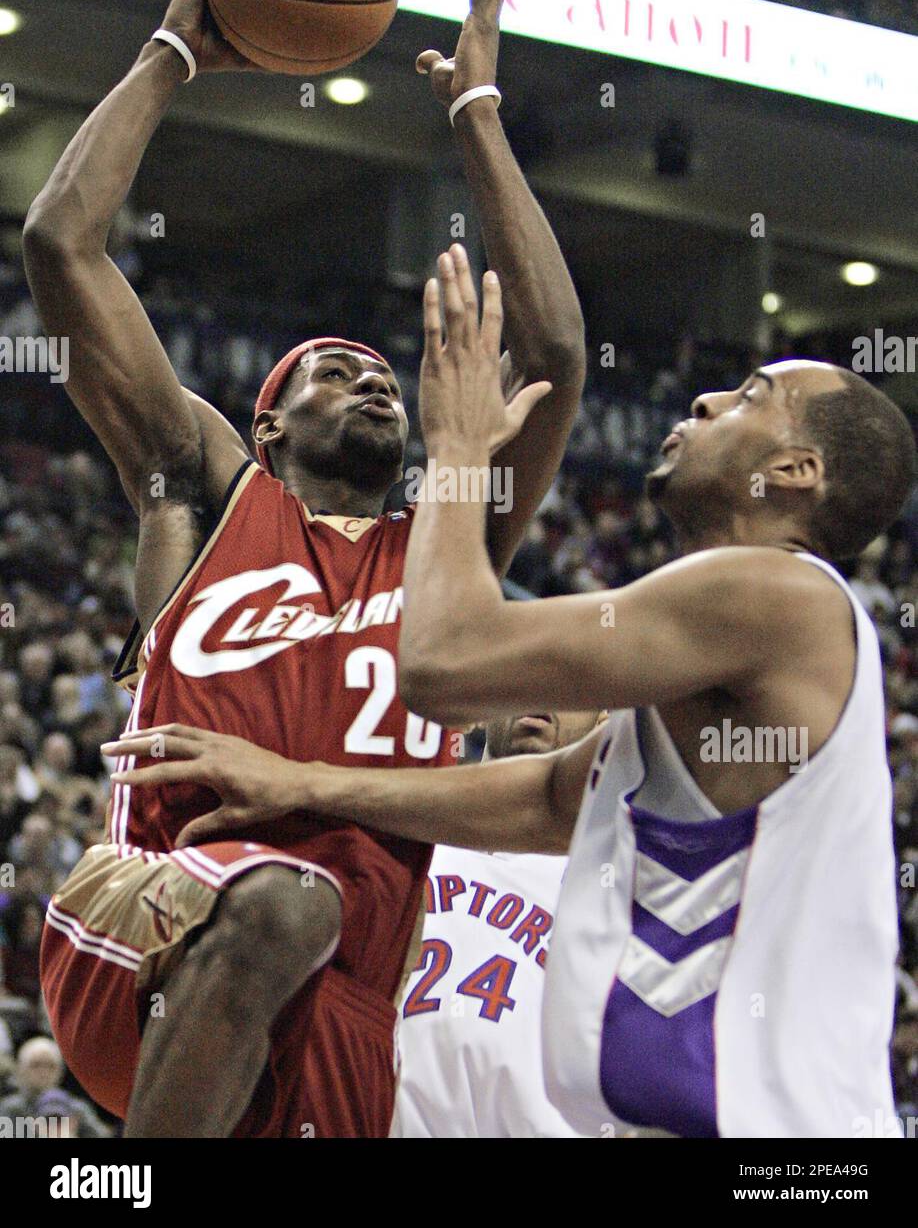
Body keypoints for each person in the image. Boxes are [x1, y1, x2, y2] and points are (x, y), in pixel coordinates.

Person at [117, 259, 916, 1137]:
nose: (707, 402)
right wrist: (303, 781)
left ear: (796, 471)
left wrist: (458, 450)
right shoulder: (713, 672)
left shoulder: (779, 594)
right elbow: (544, 797)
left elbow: (444, 659)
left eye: (751, 396)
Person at [24, 0, 585, 1139]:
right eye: (333, 372)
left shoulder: (449, 545)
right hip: (155, 921)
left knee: (307, 920)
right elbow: (61, 247)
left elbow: (551, 359)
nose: (374, 383)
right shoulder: (211, 496)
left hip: (348, 1006)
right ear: (266, 427)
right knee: (286, 901)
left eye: (385, 373)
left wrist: (479, 110)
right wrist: (178, 42)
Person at [391, 710, 603, 1139]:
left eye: (567, 679)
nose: (542, 690)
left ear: (604, 717)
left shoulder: (618, 871)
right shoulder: (402, 830)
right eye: (527, 669)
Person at [0, 1036, 110, 1137]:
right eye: (35, 1065)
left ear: (60, 1071)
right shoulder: (11, 1109)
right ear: (20, 1070)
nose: (43, 1072)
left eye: (50, 1066)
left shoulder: (77, 1109)